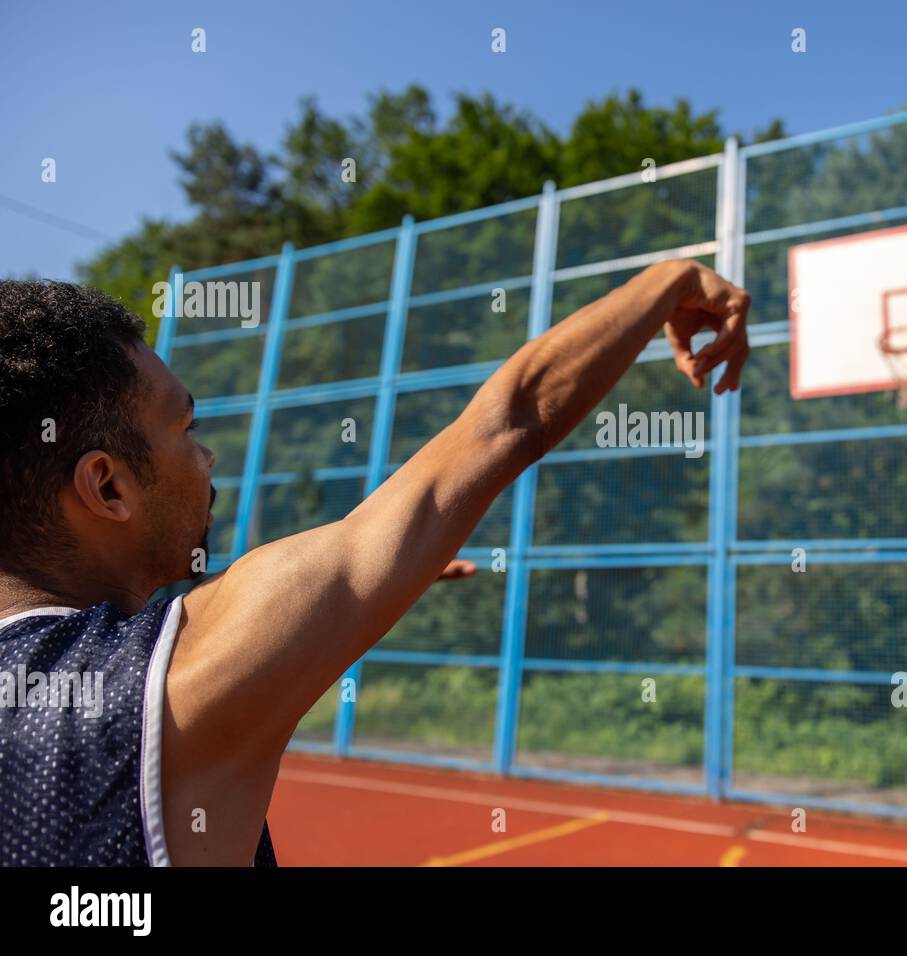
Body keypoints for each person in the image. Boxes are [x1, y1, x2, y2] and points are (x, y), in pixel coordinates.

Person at [0, 260, 750, 865]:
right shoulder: (169, 686)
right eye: (185, 427)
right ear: (108, 485)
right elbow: (506, 424)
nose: (207, 454)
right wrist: (672, 282)